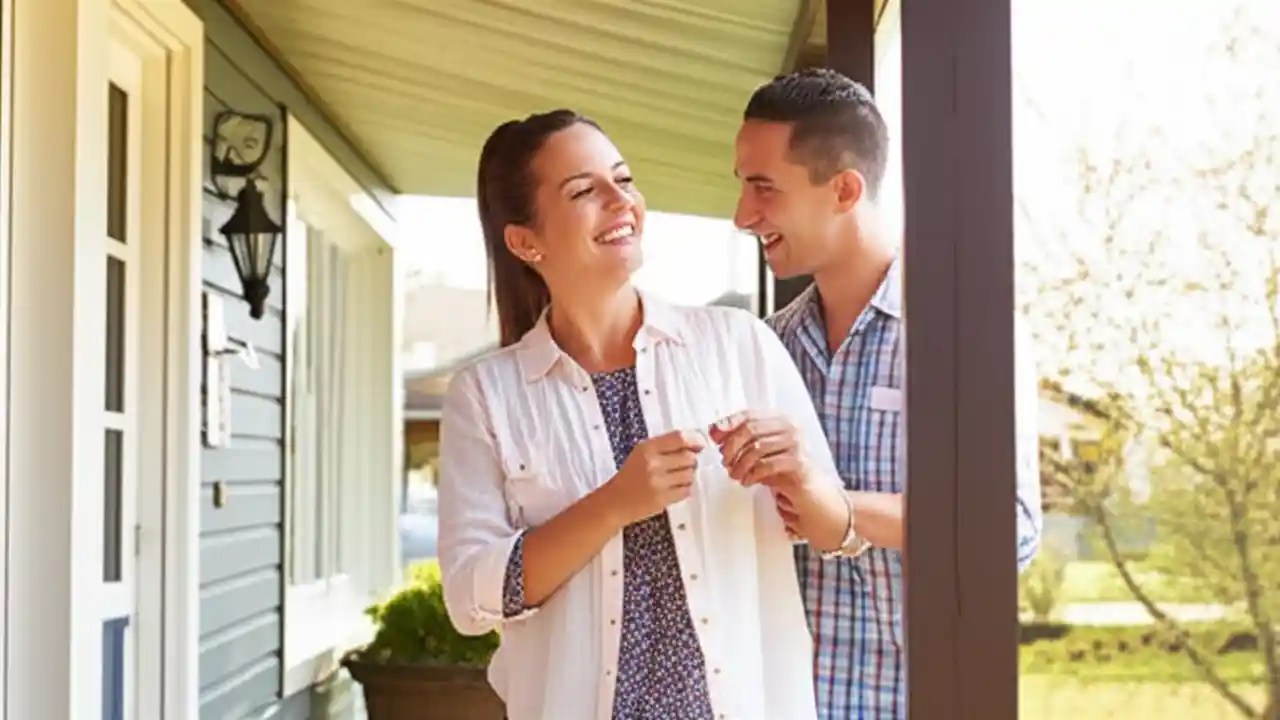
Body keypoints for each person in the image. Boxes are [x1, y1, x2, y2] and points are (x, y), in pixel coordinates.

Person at [436, 109, 856, 720]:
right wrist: (615, 503)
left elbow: (834, 532)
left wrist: (800, 477)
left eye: (624, 179)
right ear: (527, 241)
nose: (620, 201)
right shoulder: (486, 395)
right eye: (584, 190)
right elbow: (471, 597)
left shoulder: (738, 345)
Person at [730, 68, 1044, 719]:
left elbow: (1008, 530)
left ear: (844, 189)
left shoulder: (966, 332)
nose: (742, 215)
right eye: (743, 186)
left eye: (764, 188)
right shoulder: (765, 348)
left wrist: (842, 512)